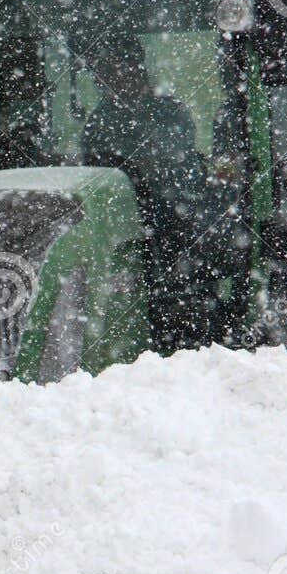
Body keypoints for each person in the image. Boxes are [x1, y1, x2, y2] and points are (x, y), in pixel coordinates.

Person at [80, 37, 215, 353]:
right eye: (104, 74)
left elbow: (179, 165)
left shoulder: (170, 113)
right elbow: (93, 171)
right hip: (115, 216)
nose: (110, 81)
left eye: (117, 70)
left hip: (167, 217)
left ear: (137, 70)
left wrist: (146, 168)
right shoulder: (99, 120)